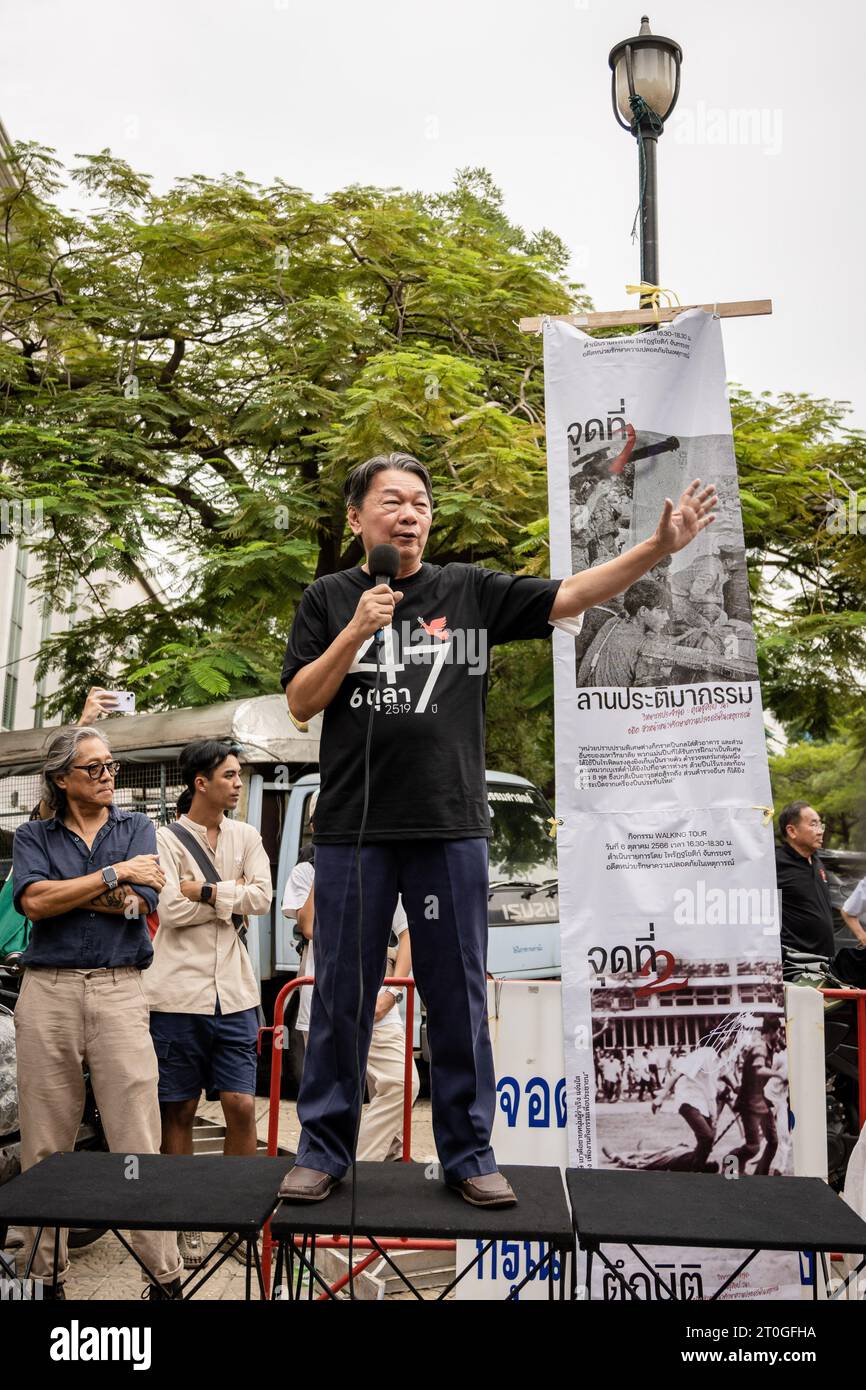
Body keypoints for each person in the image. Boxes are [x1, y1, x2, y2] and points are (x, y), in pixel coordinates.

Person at [277, 450, 716, 1206]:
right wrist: (354, 631)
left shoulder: (468, 591)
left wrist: (655, 548)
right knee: (341, 996)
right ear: (357, 519)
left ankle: (469, 1154)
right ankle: (323, 1150)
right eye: (391, 502)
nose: (409, 514)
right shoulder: (327, 598)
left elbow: (572, 592)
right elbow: (300, 701)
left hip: (449, 829)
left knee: (457, 997)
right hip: (354, 832)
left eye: (420, 501)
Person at [11, 727, 182, 1298]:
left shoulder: (138, 827)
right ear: (62, 779)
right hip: (48, 992)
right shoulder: (33, 833)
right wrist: (114, 874)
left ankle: (162, 1277)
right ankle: (44, 1279)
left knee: (138, 1138)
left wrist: (76, 889)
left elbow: (139, 903)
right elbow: (34, 902)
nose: (109, 776)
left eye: (112, 766)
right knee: (44, 1144)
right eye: (95, 769)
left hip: (119, 989)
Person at [144, 740, 272, 1267]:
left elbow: (262, 898)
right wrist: (228, 892)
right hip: (176, 995)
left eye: (239, 775)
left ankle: (235, 1216)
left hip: (237, 996)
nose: (238, 783)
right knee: (179, 1109)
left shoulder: (246, 835)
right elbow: (170, 908)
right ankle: (187, 1221)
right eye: (230, 775)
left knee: (241, 1105)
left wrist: (207, 892)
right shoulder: (163, 838)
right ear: (201, 781)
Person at [281, 791, 420, 1161]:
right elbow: (309, 926)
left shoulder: (384, 869)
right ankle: (349, 1171)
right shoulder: (305, 873)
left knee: (403, 1085)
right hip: (323, 1004)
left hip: (378, 1004)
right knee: (332, 1099)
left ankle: (354, 1167)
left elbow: (408, 933)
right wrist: (327, 859)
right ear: (316, 829)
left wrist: (393, 993)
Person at [576, 579, 671, 687]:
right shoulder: (643, 646)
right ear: (643, 611)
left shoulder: (613, 623)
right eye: (661, 612)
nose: (667, 617)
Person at [775, 803, 835, 961]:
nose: (820, 831)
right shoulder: (775, 864)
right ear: (792, 831)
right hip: (795, 964)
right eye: (813, 824)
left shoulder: (817, 862)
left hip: (824, 961)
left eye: (820, 824)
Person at [729, 1016, 782, 1175]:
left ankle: (760, 1175)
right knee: (753, 1147)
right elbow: (758, 1069)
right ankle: (730, 1162)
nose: (779, 1035)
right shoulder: (760, 1047)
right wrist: (779, 1075)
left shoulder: (767, 1045)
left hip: (760, 1100)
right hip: (750, 1103)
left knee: (772, 1141)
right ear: (773, 1031)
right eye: (778, 1031)